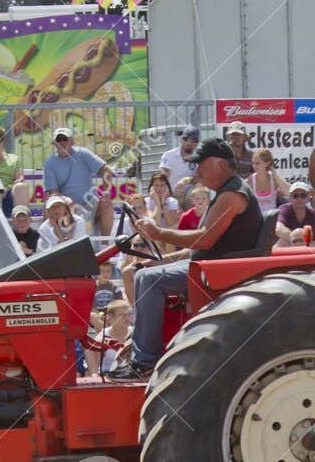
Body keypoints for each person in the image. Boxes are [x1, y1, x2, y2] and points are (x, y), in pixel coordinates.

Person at [109, 138, 261, 380]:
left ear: (220, 164)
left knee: (149, 280)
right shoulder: (225, 192)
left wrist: (158, 232)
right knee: (141, 273)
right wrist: (163, 259)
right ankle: (143, 348)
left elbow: (204, 240)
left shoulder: (232, 194)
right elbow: (200, 247)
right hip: (209, 265)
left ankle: (145, 361)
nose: (197, 170)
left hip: (216, 272)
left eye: (201, 164)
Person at [43, 126, 114, 235]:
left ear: (72, 141)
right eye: (58, 139)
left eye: (65, 139)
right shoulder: (49, 164)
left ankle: (105, 245)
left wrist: (106, 194)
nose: (62, 142)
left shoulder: (83, 153)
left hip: (91, 202)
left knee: (107, 205)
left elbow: (106, 171)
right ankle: (54, 244)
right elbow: (53, 193)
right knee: (49, 209)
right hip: (68, 207)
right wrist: (65, 201)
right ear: (54, 143)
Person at [248, 149, 289, 213]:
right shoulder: (250, 180)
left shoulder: (273, 179)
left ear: (267, 163)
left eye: (257, 163)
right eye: (253, 163)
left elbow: (289, 193)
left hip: (272, 219)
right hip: (256, 220)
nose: (254, 166)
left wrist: (275, 174)